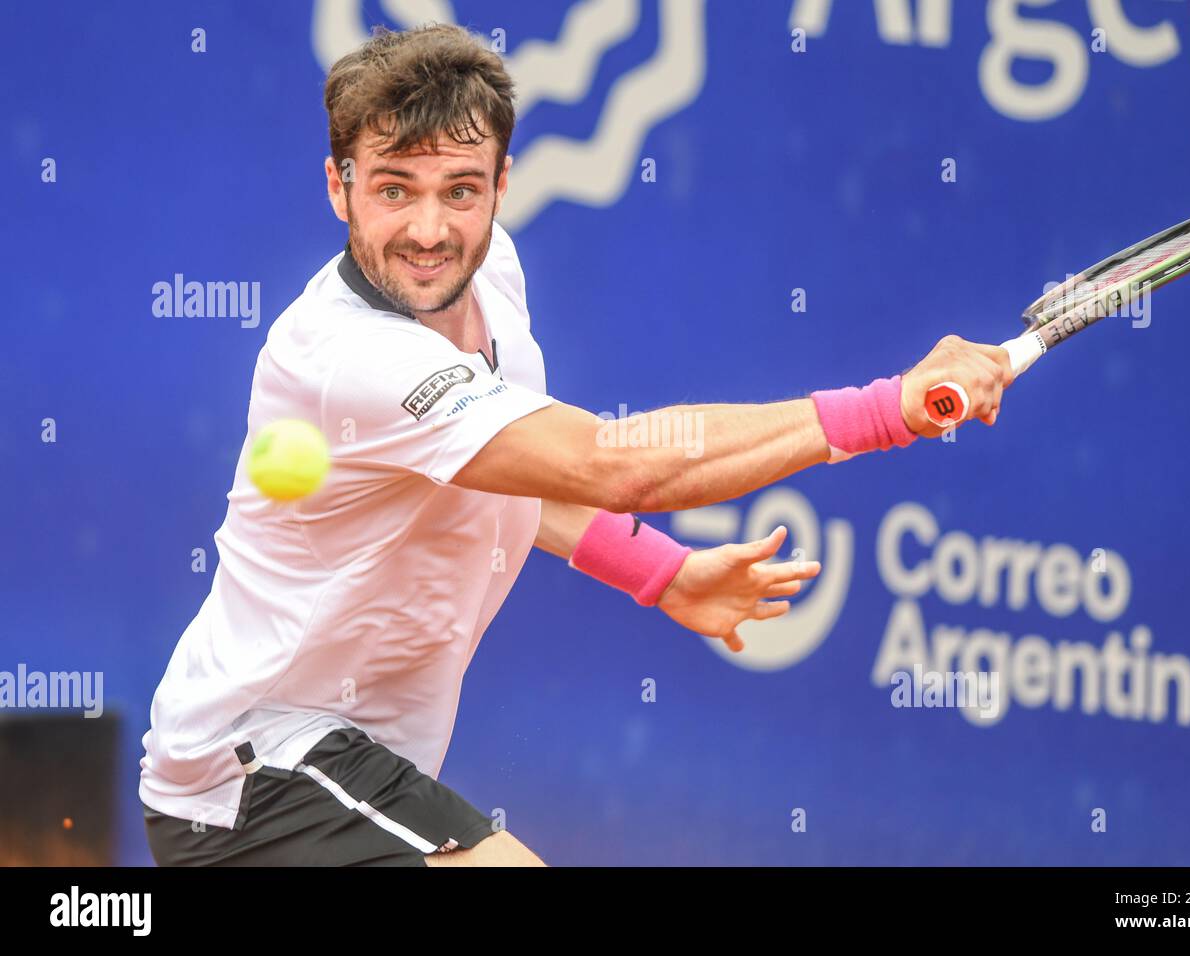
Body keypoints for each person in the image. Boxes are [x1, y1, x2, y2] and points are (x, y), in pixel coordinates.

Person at [139, 22, 1012, 867]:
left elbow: (514, 476)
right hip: (255, 772)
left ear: (501, 184)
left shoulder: (493, 274)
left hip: (359, 763)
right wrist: (886, 408)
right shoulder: (348, 358)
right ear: (340, 188)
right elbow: (611, 465)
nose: (430, 231)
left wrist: (661, 572)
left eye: (461, 190)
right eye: (394, 189)